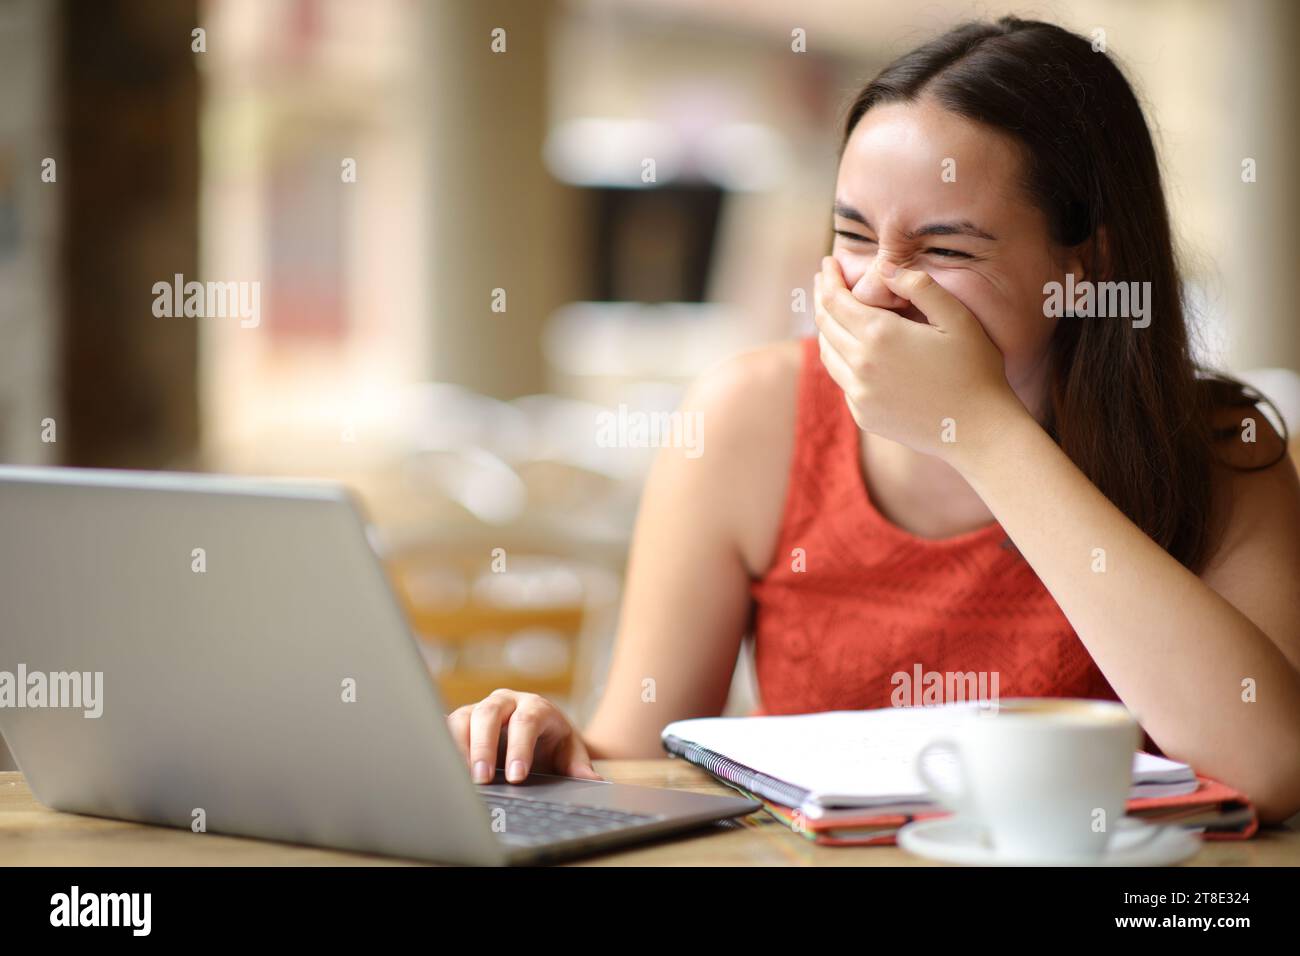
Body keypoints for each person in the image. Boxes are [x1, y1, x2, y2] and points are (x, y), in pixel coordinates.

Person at [447, 17, 1300, 823]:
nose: (877, 290)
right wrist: (550, 749)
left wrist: (982, 433)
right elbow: (633, 758)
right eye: (854, 235)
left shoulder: (1222, 449)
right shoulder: (751, 420)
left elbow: (1269, 767)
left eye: (946, 250)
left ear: (1088, 265)